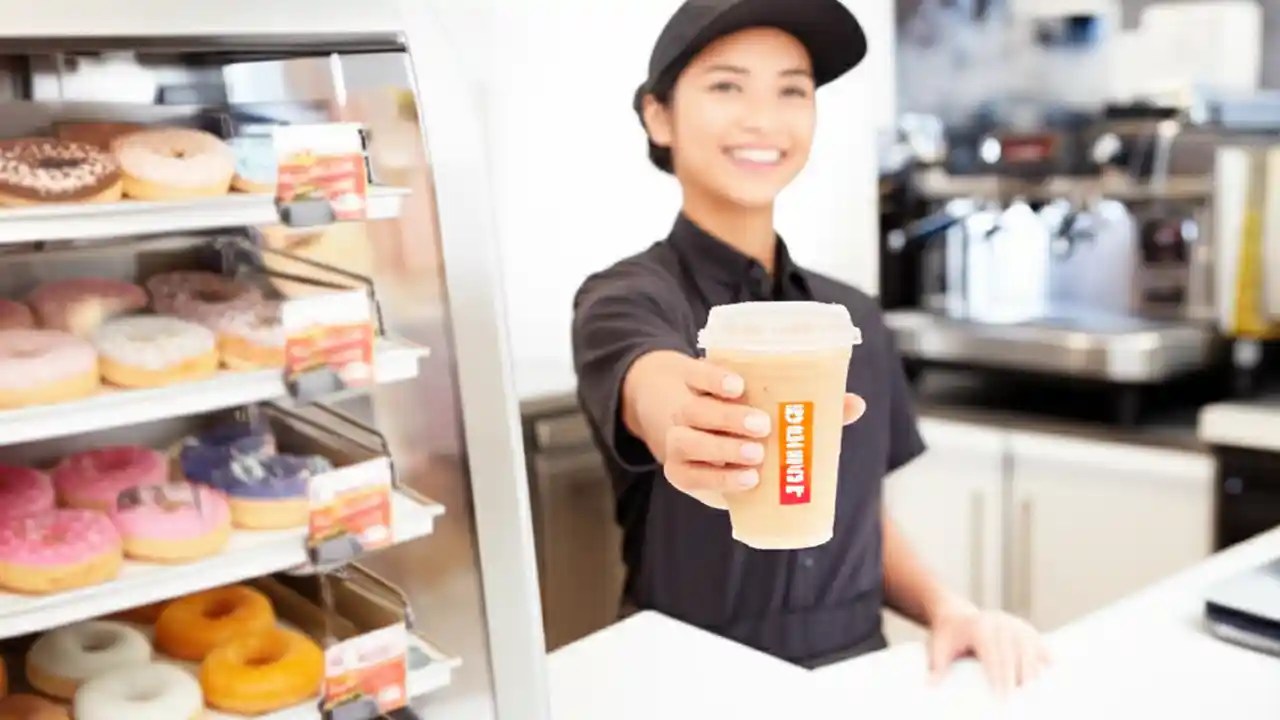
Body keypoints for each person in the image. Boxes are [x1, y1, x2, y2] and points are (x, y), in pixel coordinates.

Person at [571, 0, 1049, 692]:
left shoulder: (850, 315)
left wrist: (950, 608)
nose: (763, 118)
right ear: (659, 115)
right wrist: (692, 421)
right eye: (727, 85)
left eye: (792, 89)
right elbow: (658, 386)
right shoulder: (626, 299)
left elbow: (859, 516)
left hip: (858, 674)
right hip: (689, 675)